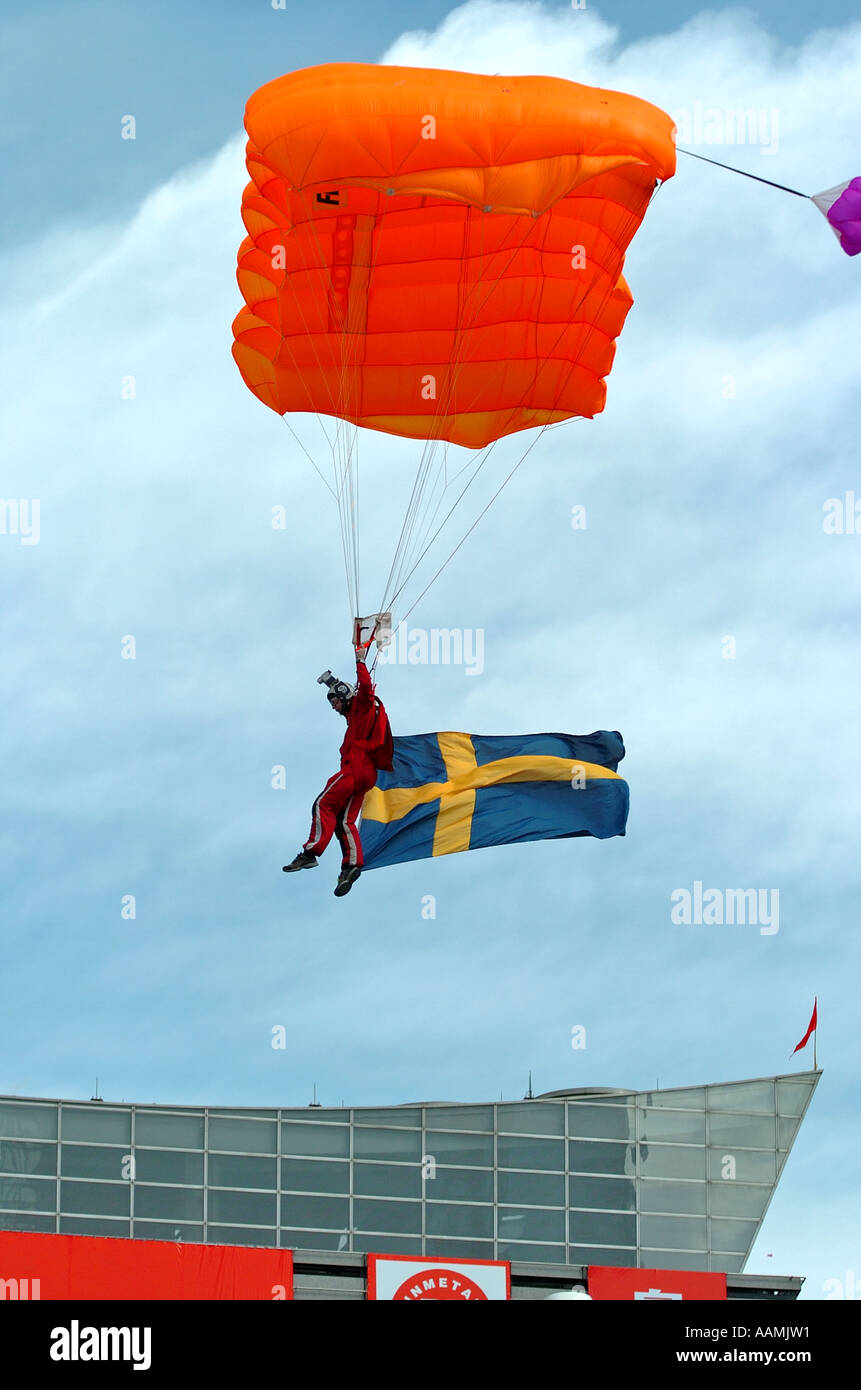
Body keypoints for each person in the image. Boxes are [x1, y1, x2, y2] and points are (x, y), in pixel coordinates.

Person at [283, 645, 392, 896]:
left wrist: (360, 659)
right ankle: (352, 865)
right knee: (345, 822)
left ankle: (311, 852)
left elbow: (363, 688)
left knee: (323, 804)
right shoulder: (355, 717)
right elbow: (349, 692)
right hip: (366, 775)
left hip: (356, 769)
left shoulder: (363, 706)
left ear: (344, 697)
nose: (333, 707)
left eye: (335, 701)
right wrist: (330, 682)